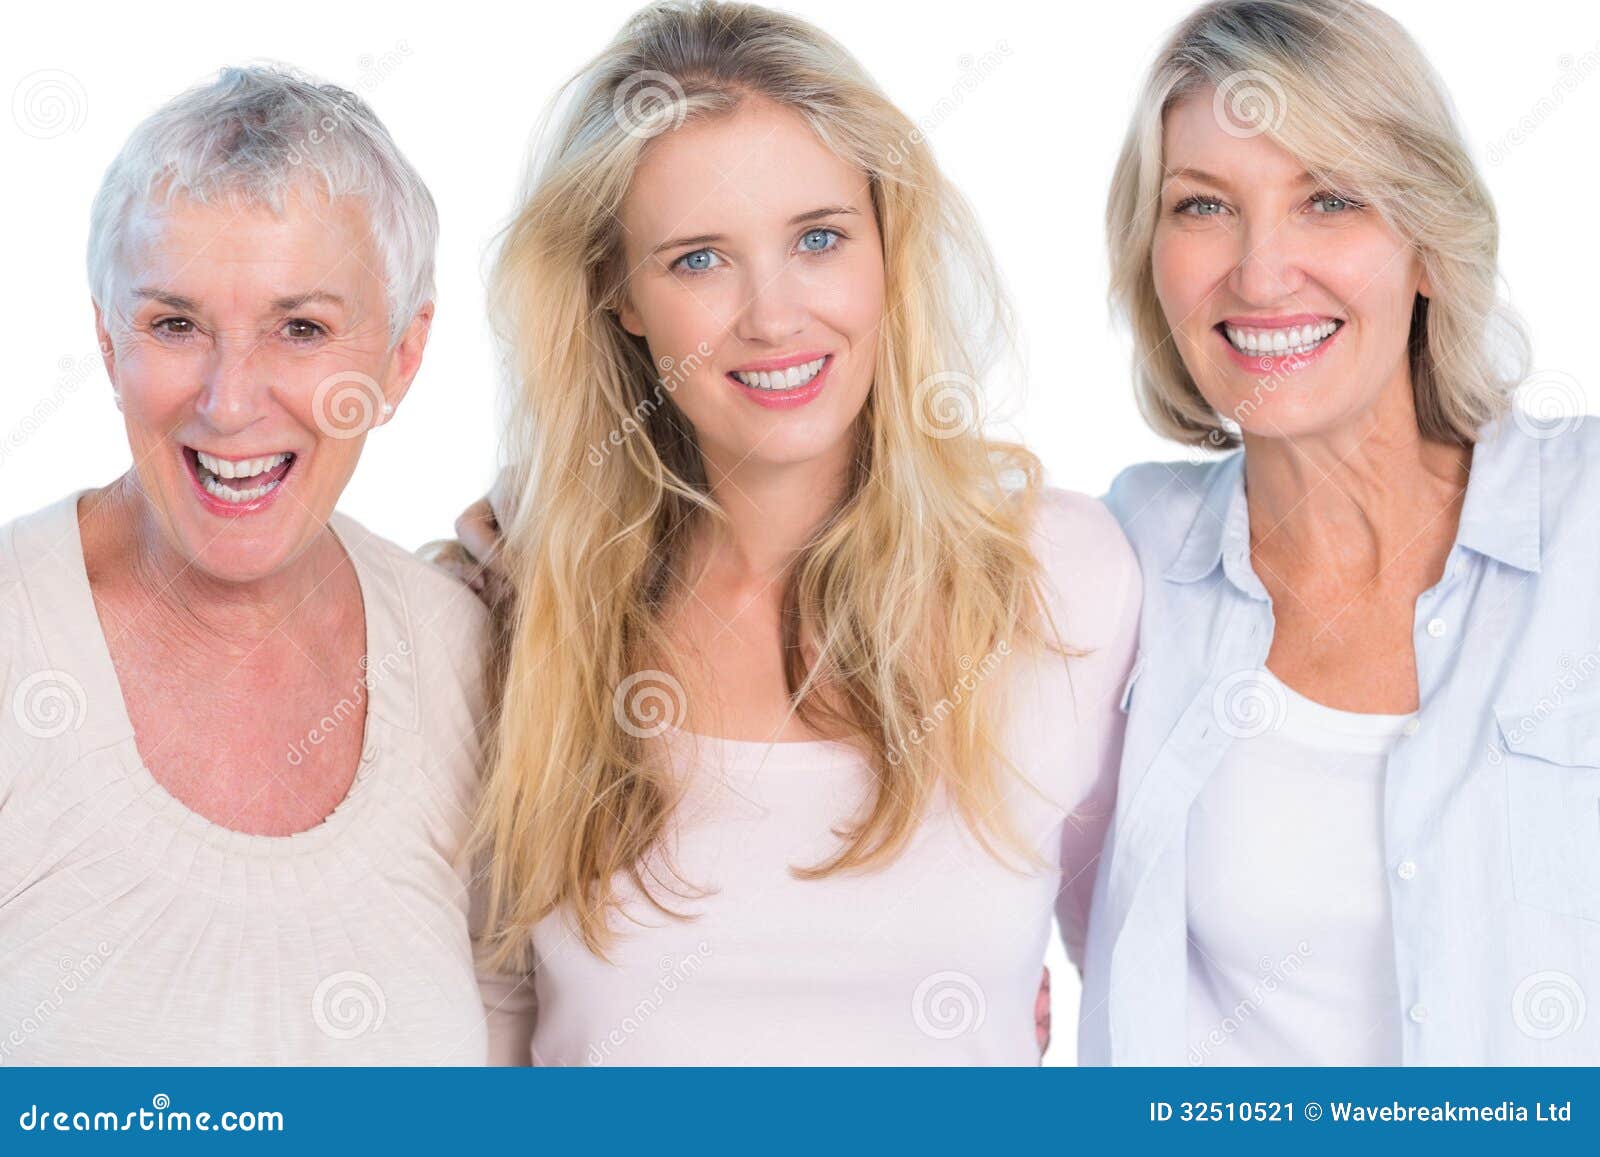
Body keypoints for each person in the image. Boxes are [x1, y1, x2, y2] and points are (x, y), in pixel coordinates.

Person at [451, 0, 1140, 1065]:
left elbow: (1155, 973)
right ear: (617, 294)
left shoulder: (1063, 579)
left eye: (818, 238)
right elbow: (474, 1037)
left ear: (884, 246)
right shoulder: (521, 613)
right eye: (696, 260)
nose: (773, 316)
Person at [1083, 0, 1598, 1064]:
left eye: (1327, 199)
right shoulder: (1120, 560)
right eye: (1202, 206)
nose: (1262, 272)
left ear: (1424, 246)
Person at [0, 65, 535, 1065]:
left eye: (302, 328)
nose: (231, 400)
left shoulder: (471, 660)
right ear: (107, 340)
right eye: (175, 324)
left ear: (402, 357)